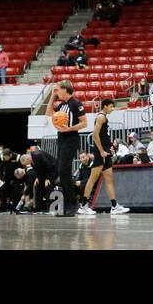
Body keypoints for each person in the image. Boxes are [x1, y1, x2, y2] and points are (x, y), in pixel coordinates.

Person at [77, 98, 130, 217]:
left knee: (109, 179)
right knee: (92, 178)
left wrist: (109, 146)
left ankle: (114, 206)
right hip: (101, 152)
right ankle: (84, 206)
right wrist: (101, 151)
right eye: (111, 106)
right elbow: (95, 136)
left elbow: (103, 135)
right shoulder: (101, 117)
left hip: (105, 151)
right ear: (105, 106)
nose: (113, 109)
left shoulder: (104, 117)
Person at [50, 80, 86, 217]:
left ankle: (74, 202)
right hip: (61, 139)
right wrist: (53, 96)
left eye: (58, 90)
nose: (57, 92)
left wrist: (69, 128)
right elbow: (48, 113)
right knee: (62, 173)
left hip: (71, 138)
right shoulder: (62, 105)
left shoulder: (75, 104)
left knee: (63, 170)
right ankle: (68, 203)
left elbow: (84, 123)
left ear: (65, 90)